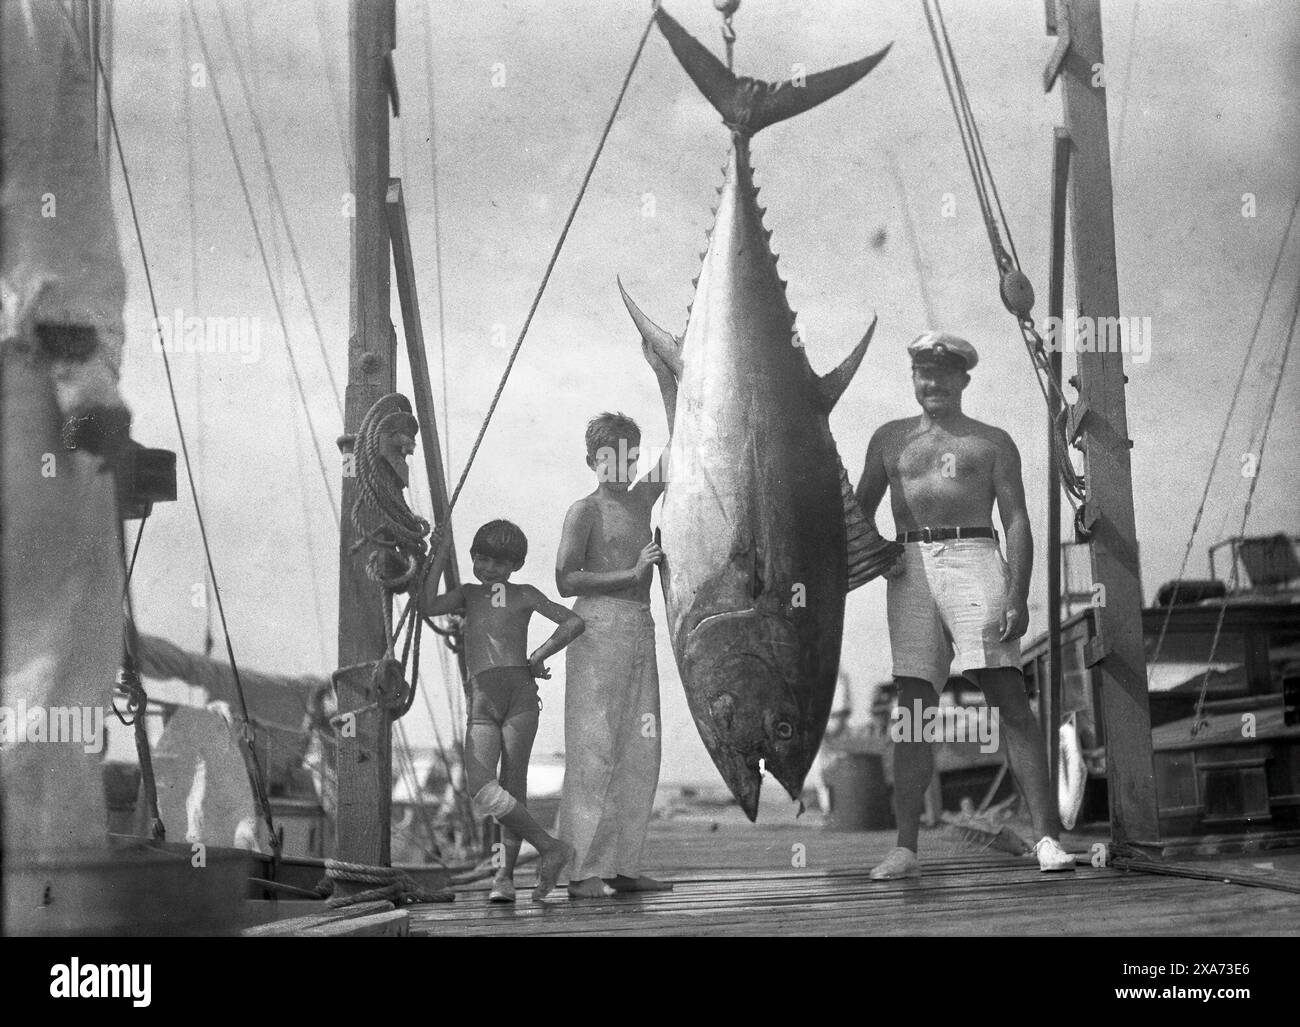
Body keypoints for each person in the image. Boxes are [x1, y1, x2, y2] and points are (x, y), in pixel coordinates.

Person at [855, 331, 1074, 877]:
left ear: (962, 380)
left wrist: (1018, 594)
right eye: (923, 374)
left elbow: (1017, 520)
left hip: (976, 555)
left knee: (1008, 697)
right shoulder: (888, 440)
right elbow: (857, 512)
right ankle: (906, 848)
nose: (932, 383)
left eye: (943, 374)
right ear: (913, 379)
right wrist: (878, 555)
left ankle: (1047, 837)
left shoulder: (991, 441)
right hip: (908, 567)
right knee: (912, 708)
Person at [420, 519, 584, 902]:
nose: (489, 569)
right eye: (481, 559)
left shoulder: (525, 593)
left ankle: (504, 880)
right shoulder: (467, 594)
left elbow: (573, 621)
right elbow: (426, 605)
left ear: (515, 566)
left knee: (514, 786)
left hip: (520, 698)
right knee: (480, 787)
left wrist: (538, 655)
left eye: (499, 563)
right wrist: (440, 551)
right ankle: (549, 846)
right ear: (473, 557)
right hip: (482, 702)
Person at [555, 412, 674, 898]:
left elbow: (682, 447)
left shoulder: (644, 497)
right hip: (597, 627)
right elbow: (565, 580)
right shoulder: (584, 511)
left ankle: (624, 868)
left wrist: (668, 371)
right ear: (592, 460)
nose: (621, 466)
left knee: (641, 749)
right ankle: (581, 872)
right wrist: (631, 572)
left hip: (640, 629)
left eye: (629, 456)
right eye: (610, 457)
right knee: (593, 747)